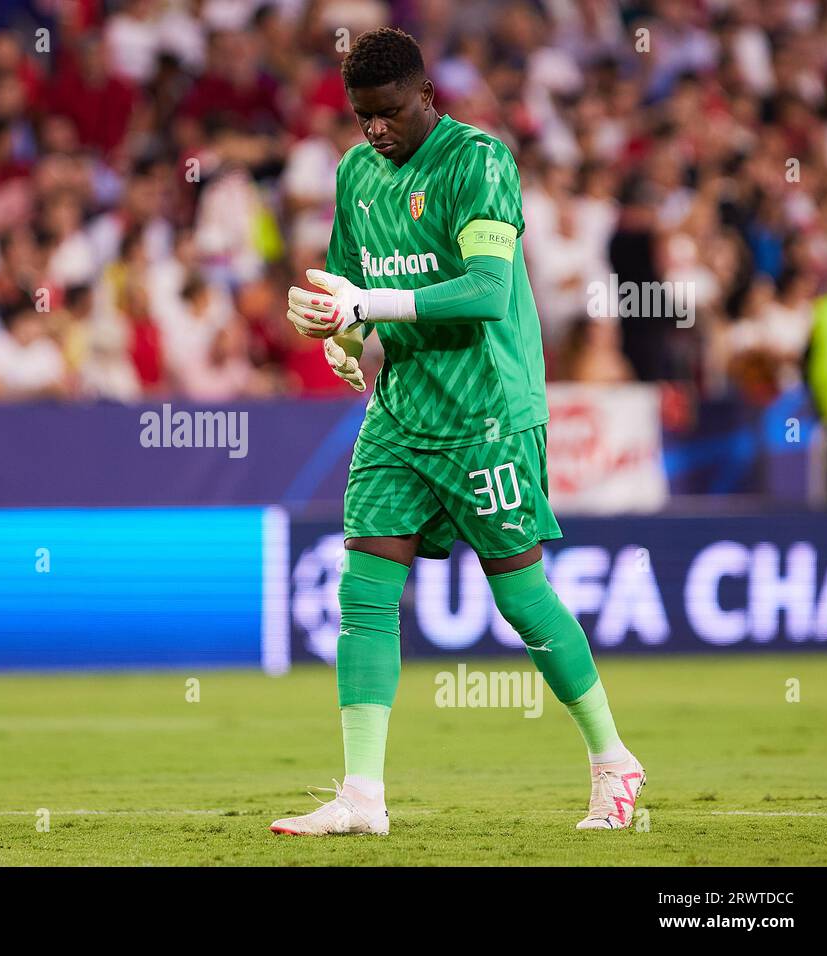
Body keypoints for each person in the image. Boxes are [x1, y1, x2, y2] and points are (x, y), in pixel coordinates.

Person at [271, 28, 644, 838]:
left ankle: (614, 761)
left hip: (487, 416)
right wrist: (334, 334)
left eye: (389, 112)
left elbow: (482, 291)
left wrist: (365, 312)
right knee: (364, 593)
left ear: (427, 95)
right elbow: (350, 290)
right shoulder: (354, 174)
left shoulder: (478, 161)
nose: (375, 129)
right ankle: (362, 797)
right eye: (362, 116)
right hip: (402, 414)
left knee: (521, 597)